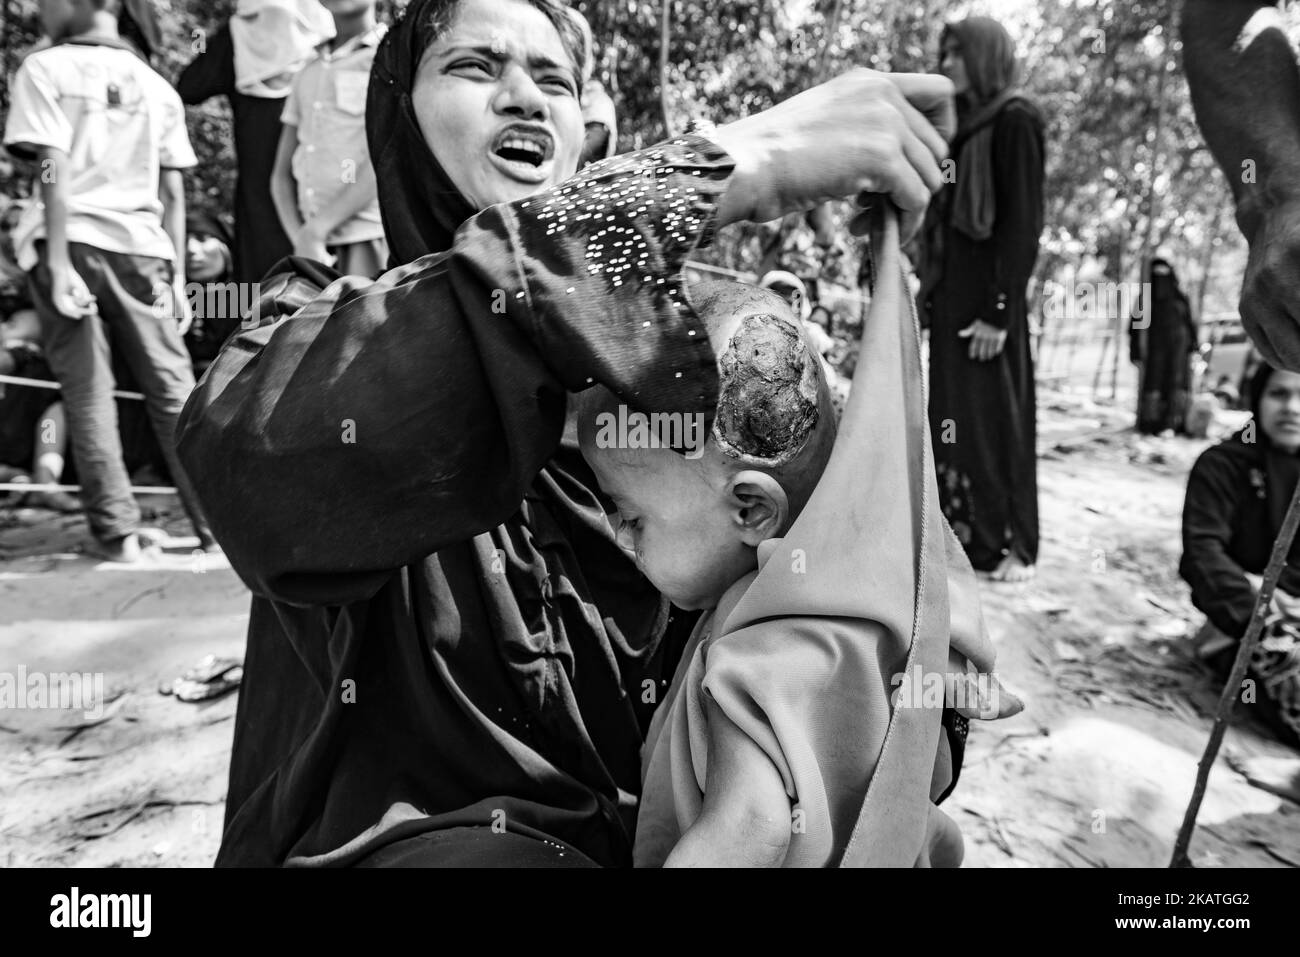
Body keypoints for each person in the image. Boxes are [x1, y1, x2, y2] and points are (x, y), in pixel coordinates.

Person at [177, 0, 955, 867]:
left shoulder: (688, 342)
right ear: (396, 115)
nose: (521, 95)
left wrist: (871, 720)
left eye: (552, 79)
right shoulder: (307, 327)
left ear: (585, 137)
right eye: (473, 67)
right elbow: (262, 479)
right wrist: (725, 168)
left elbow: (861, 579)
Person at [572, 279, 1018, 867]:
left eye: (631, 517)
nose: (619, 536)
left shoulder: (759, 653)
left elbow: (751, 827)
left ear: (752, 510)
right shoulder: (894, 580)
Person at [2, 0, 215, 561]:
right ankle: (219, 526)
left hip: (68, 241)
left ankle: (118, 534)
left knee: (88, 390)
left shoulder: (45, 68)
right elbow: (172, 191)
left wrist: (56, 260)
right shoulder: (156, 86)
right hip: (143, 249)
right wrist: (172, 274)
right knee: (173, 389)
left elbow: (51, 162)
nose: (37, 9)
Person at [919, 16, 1045, 583]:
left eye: (956, 54)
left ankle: (1013, 544)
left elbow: (1023, 225)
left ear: (985, 57)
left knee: (997, 422)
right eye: (943, 53)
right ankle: (964, 537)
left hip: (991, 306)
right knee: (952, 418)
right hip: (952, 299)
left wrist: (999, 311)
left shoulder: (1017, 119)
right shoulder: (960, 128)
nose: (945, 64)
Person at [1182, 362, 1300, 753]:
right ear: (1257, 398)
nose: (1292, 408)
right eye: (1279, 393)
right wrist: (1264, 613)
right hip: (1242, 624)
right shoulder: (1222, 465)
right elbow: (1203, 554)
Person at [177, 0, 335, 283]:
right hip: (324, 202)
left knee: (265, 308)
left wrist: (200, 37)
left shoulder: (237, 37)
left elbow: (190, 83)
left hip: (266, 208)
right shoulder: (330, 36)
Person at [270, 0, 389, 277]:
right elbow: (279, 176)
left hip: (367, 235)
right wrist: (302, 237)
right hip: (311, 248)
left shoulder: (391, 58)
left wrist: (318, 228)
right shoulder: (306, 69)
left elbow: (387, 157)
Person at [1131, 257, 1197, 435]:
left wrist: (1193, 345)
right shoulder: (1144, 300)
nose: (1160, 278)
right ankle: (1151, 423)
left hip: (1178, 352)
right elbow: (1135, 328)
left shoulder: (1181, 298)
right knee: (1154, 383)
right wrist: (1135, 352)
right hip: (1155, 352)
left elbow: (1190, 324)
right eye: (1156, 274)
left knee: (1175, 384)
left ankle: (1173, 423)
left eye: (1164, 273)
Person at [181, 211, 239, 375]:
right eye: (182, 242)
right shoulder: (168, 302)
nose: (191, 250)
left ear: (224, 246)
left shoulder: (254, 298)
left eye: (202, 238)